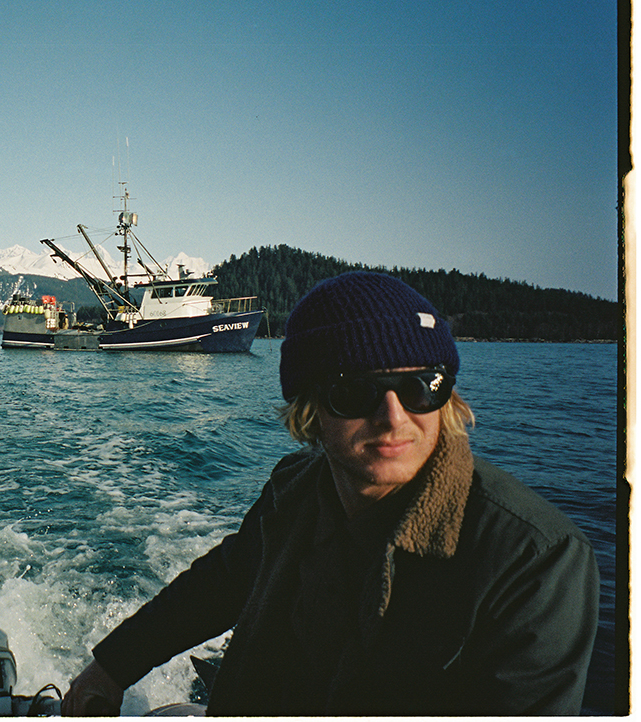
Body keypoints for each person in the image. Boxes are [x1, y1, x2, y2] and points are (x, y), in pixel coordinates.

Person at [62, 271, 599, 716]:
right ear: (310, 411)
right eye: (355, 391)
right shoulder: (295, 492)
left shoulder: (533, 560)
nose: (394, 419)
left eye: (421, 386)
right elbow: (222, 583)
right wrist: (114, 666)